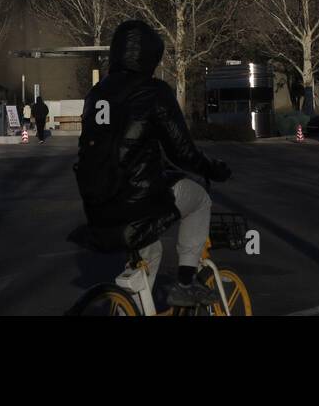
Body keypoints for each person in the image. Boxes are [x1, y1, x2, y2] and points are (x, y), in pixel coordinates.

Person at [74, 19, 232, 308]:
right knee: (199, 199)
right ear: (149, 56)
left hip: (98, 201)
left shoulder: (95, 94)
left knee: (150, 252)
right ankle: (185, 282)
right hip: (137, 198)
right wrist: (212, 168)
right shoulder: (153, 91)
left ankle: (130, 306)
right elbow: (181, 151)